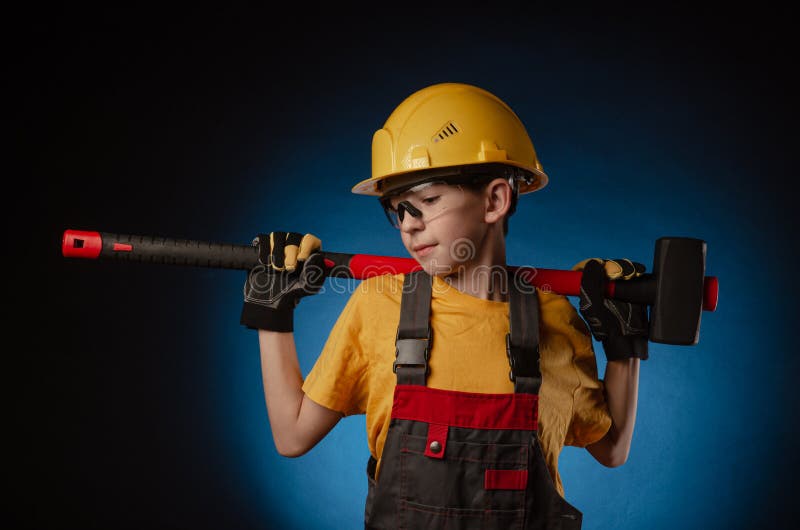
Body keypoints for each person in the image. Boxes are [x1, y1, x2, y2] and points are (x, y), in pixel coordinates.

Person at [240, 82, 648, 529]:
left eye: (427, 202)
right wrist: (272, 314)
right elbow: (292, 435)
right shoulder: (379, 305)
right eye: (398, 210)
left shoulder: (556, 321)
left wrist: (624, 347)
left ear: (495, 199)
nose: (408, 227)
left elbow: (612, 450)